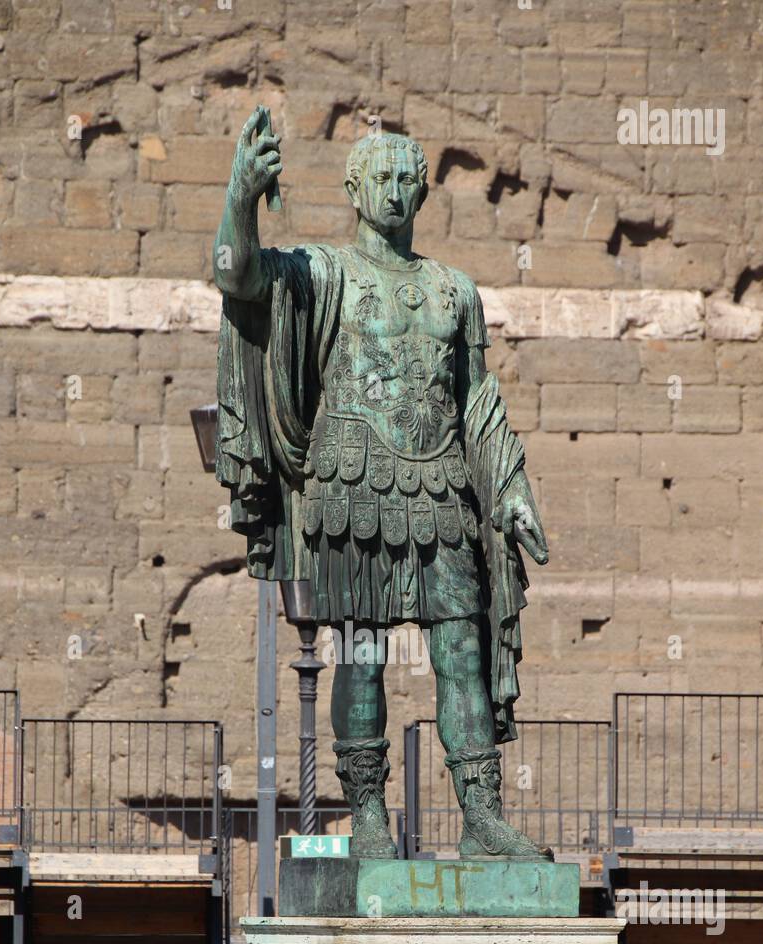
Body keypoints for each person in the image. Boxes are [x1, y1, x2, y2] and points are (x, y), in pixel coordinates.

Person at [213, 106, 551, 860]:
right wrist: (241, 192)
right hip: (353, 487)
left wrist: (514, 489)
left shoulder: (454, 291)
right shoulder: (319, 272)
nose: (396, 192)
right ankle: (367, 813)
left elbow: (476, 400)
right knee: (360, 652)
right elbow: (235, 274)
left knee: (462, 650)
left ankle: (482, 818)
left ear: (424, 193)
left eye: (409, 179)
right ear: (354, 188)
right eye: (382, 178)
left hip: (443, 492)